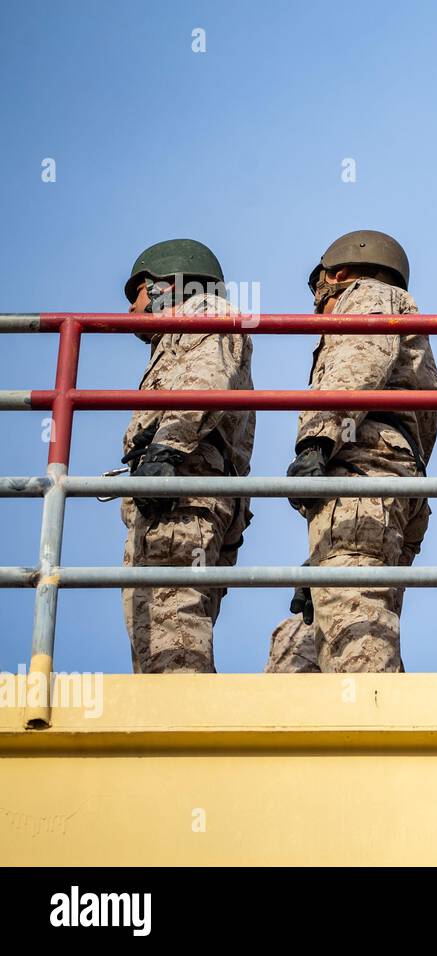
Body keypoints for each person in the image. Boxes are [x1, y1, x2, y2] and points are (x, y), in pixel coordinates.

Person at [286, 230, 437, 672]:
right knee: (364, 615)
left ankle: (370, 724)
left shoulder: (366, 294)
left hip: (361, 473)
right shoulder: (408, 324)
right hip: (389, 481)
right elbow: (425, 424)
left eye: (318, 291)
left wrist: (318, 439)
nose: (316, 305)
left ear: (339, 273)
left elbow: (359, 359)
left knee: (358, 627)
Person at [120, 239, 254, 673]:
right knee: (155, 631)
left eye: (138, 292)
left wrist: (165, 449)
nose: (130, 310)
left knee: (174, 631)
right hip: (175, 491)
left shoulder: (204, 313)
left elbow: (206, 380)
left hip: (183, 492)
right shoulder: (177, 335)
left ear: (165, 286)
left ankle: (178, 727)